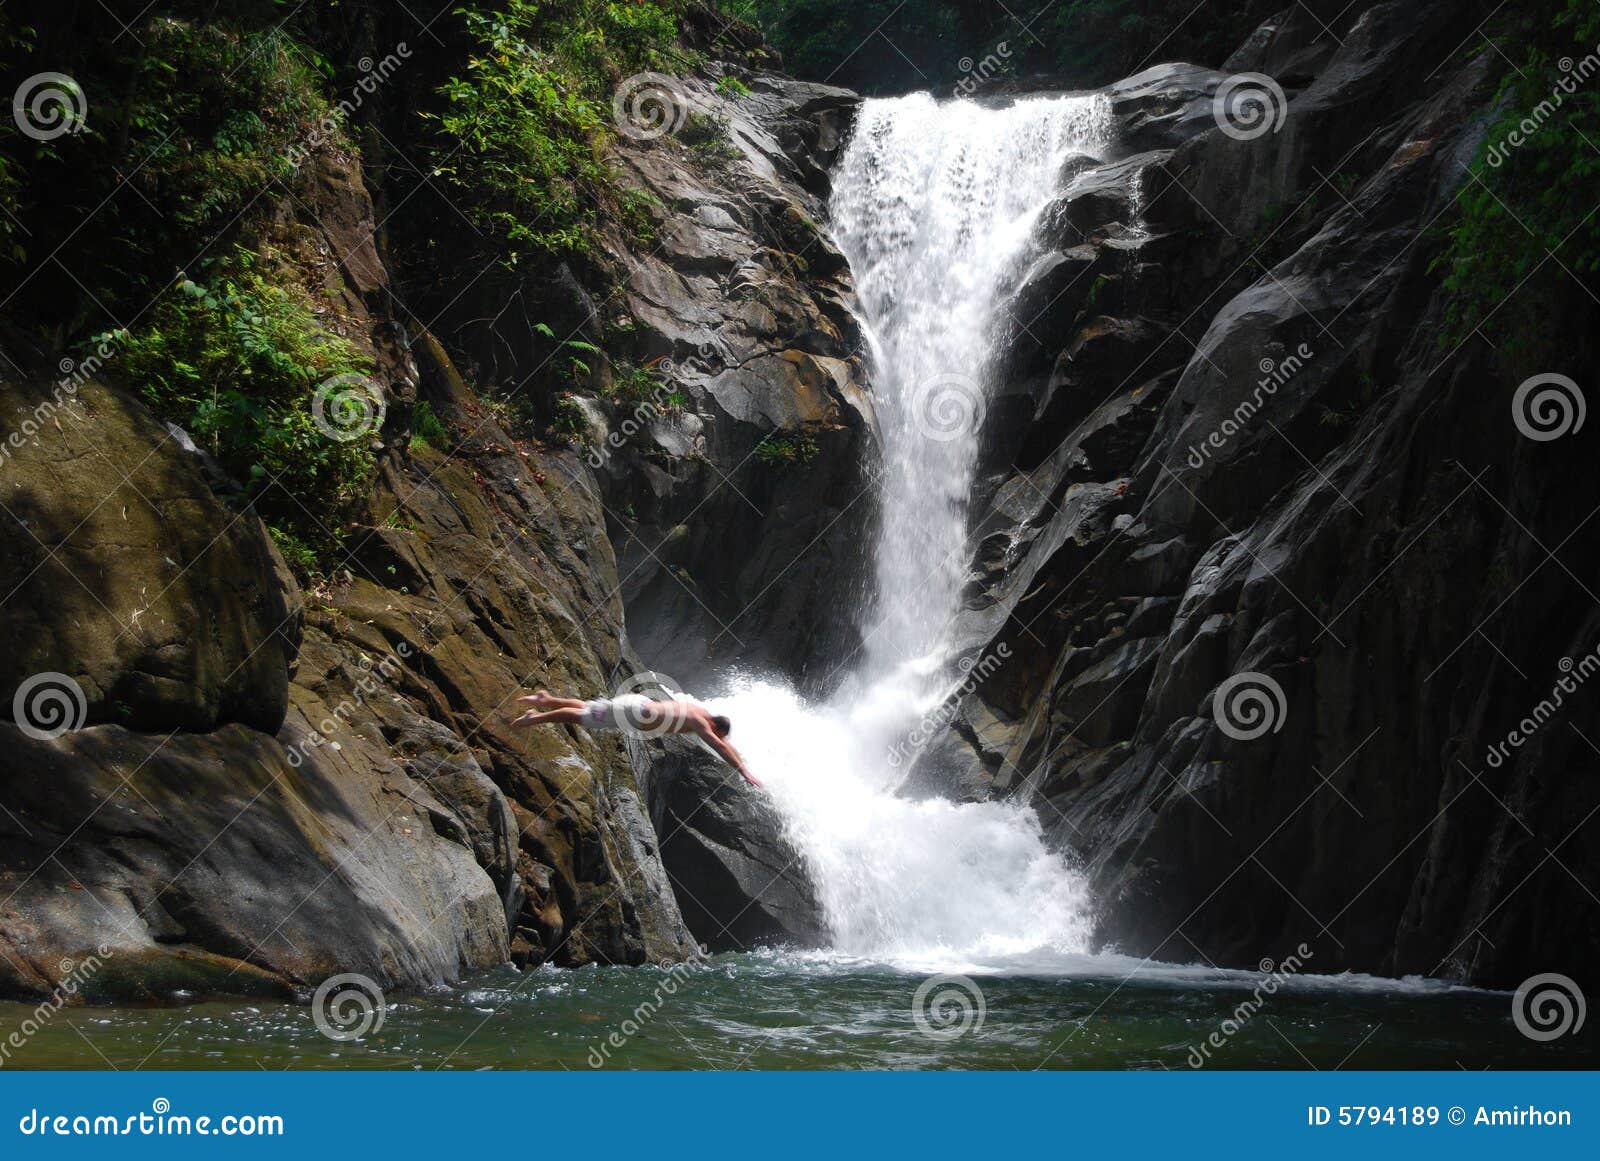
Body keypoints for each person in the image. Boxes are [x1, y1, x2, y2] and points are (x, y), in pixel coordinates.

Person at [510, 690, 762, 787]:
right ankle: (535, 717)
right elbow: (718, 745)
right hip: (632, 713)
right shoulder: (700, 722)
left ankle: (546, 699)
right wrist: (743, 772)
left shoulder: (702, 712)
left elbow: (724, 744)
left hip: (636, 704)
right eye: (717, 734)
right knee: (583, 717)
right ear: (714, 726)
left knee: (591, 708)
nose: (716, 738)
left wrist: (744, 765)